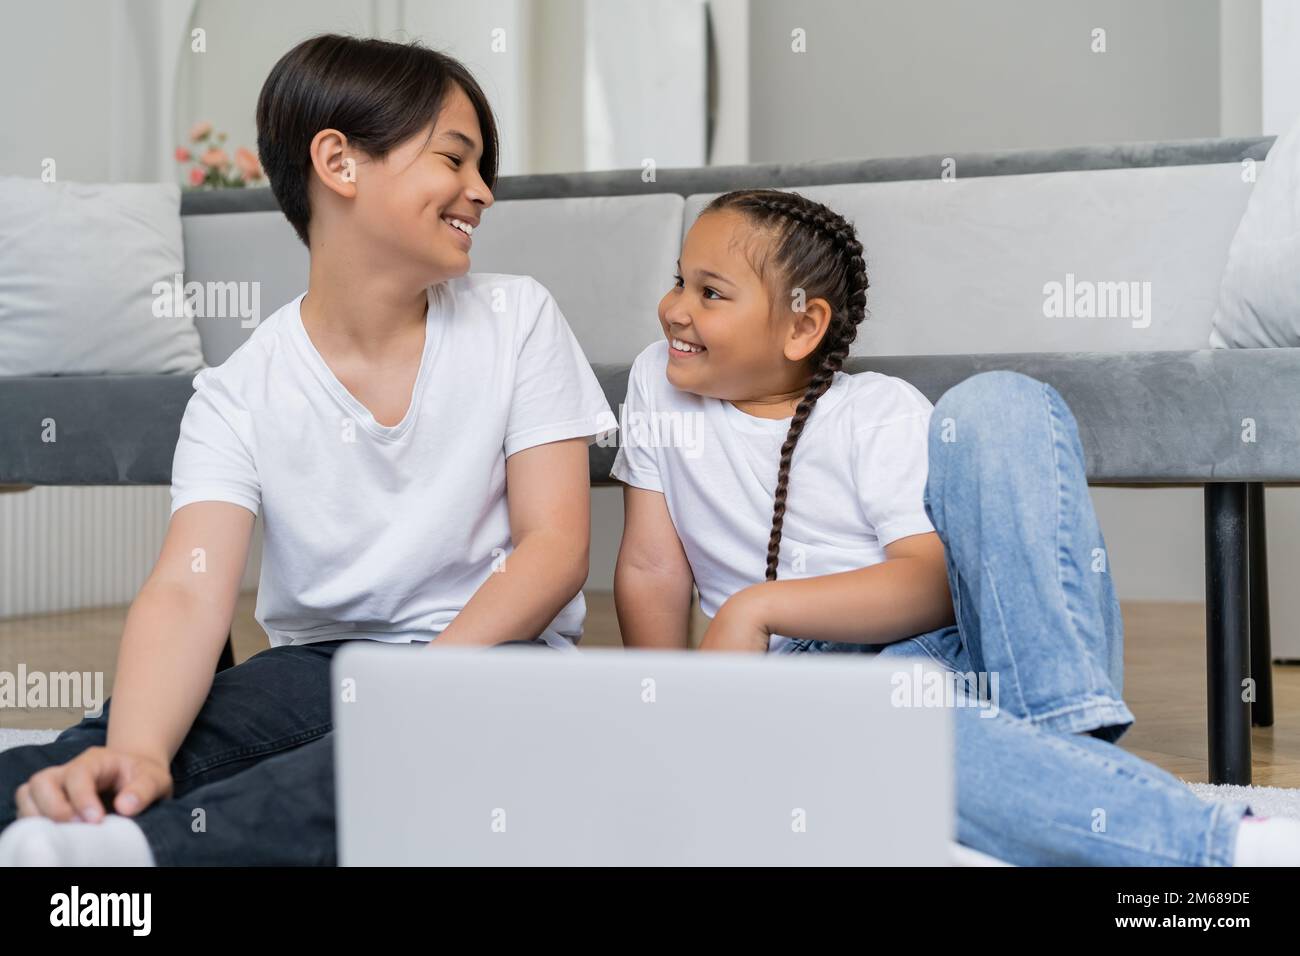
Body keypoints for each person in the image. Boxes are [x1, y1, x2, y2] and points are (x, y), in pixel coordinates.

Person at [0, 33, 614, 866]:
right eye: (455, 160)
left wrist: (420, 689)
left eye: (482, 168)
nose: (482, 192)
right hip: (315, 668)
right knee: (88, 756)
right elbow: (187, 592)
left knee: (349, 780)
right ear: (339, 162)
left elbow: (554, 548)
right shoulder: (238, 389)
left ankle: (132, 865)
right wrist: (139, 752)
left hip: (494, 665)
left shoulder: (519, 319)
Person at [610, 187, 1300, 866]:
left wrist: (754, 609)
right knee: (883, 725)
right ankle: (1087, 797)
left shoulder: (877, 412)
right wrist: (668, 720)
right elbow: (651, 567)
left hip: (961, 649)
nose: (675, 309)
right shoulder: (657, 383)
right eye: (679, 281)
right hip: (819, 689)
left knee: (995, 404)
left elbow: (932, 582)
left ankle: (1058, 742)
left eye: (711, 293)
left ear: (801, 326)